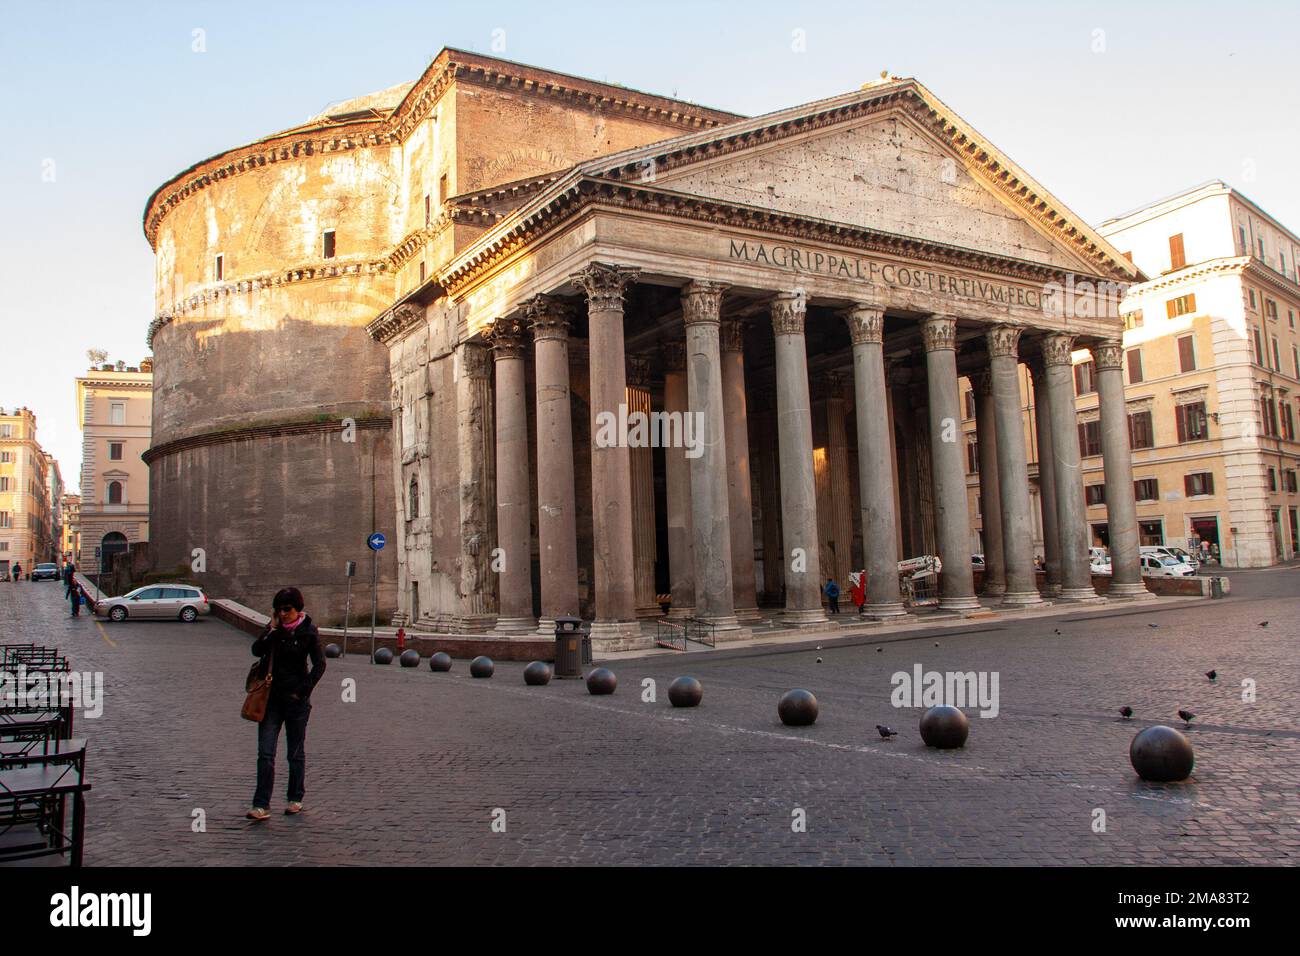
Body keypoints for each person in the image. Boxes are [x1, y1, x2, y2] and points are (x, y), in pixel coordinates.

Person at [248, 587, 325, 821]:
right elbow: (256, 650)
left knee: (295, 753)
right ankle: (261, 805)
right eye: (279, 609)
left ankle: (295, 798)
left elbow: (320, 664)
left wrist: (303, 691)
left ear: (297, 609)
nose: (282, 614)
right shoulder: (274, 631)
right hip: (270, 700)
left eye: (287, 609)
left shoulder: (309, 632)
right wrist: (270, 629)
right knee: (265, 753)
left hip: (296, 702)